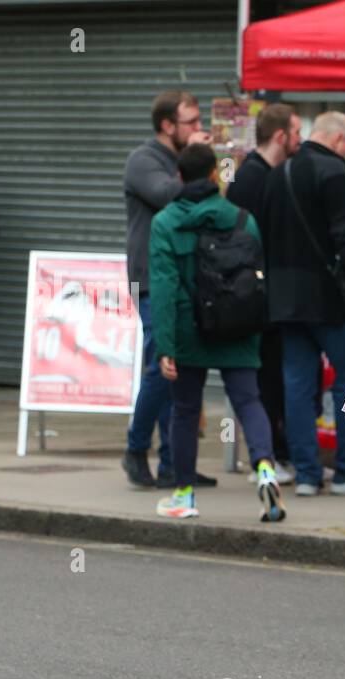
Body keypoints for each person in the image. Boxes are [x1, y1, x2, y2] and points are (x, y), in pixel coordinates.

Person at [148, 144, 285, 523]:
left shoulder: (165, 223)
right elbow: (258, 279)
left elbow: (162, 288)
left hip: (187, 328)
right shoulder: (243, 219)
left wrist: (165, 345)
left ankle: (184, 493)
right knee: (248, 401)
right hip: (238, 325)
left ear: (178, 176)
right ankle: (265, 469)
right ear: (214, 175)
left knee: (185, 410)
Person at [261, 111, 345, 496]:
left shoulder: (278, 174)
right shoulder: (336, 175)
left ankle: (307, 475)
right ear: (338, 139)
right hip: (328, 299)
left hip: (284, 300)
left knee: (297, 385)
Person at [122, 91, 216, 490]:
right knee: (161, 369)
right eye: (191, 122)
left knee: (182, 373)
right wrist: (194, 162)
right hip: (151, 279)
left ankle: (174, 464)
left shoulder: (175, 157)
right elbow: (168, 195)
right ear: (167, 125)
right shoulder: (142, 160)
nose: (199, 128)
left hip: (187, 277)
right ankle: (135, 449)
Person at [227, 102, 303, 487]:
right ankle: (273, 457)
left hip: (262, 296)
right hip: (257, 299)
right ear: (280, 136)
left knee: (270, 379)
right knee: (267, 381)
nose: (301, 141)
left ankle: (273, 455)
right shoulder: (258, 178)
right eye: (296, 133)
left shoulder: (254, 173)